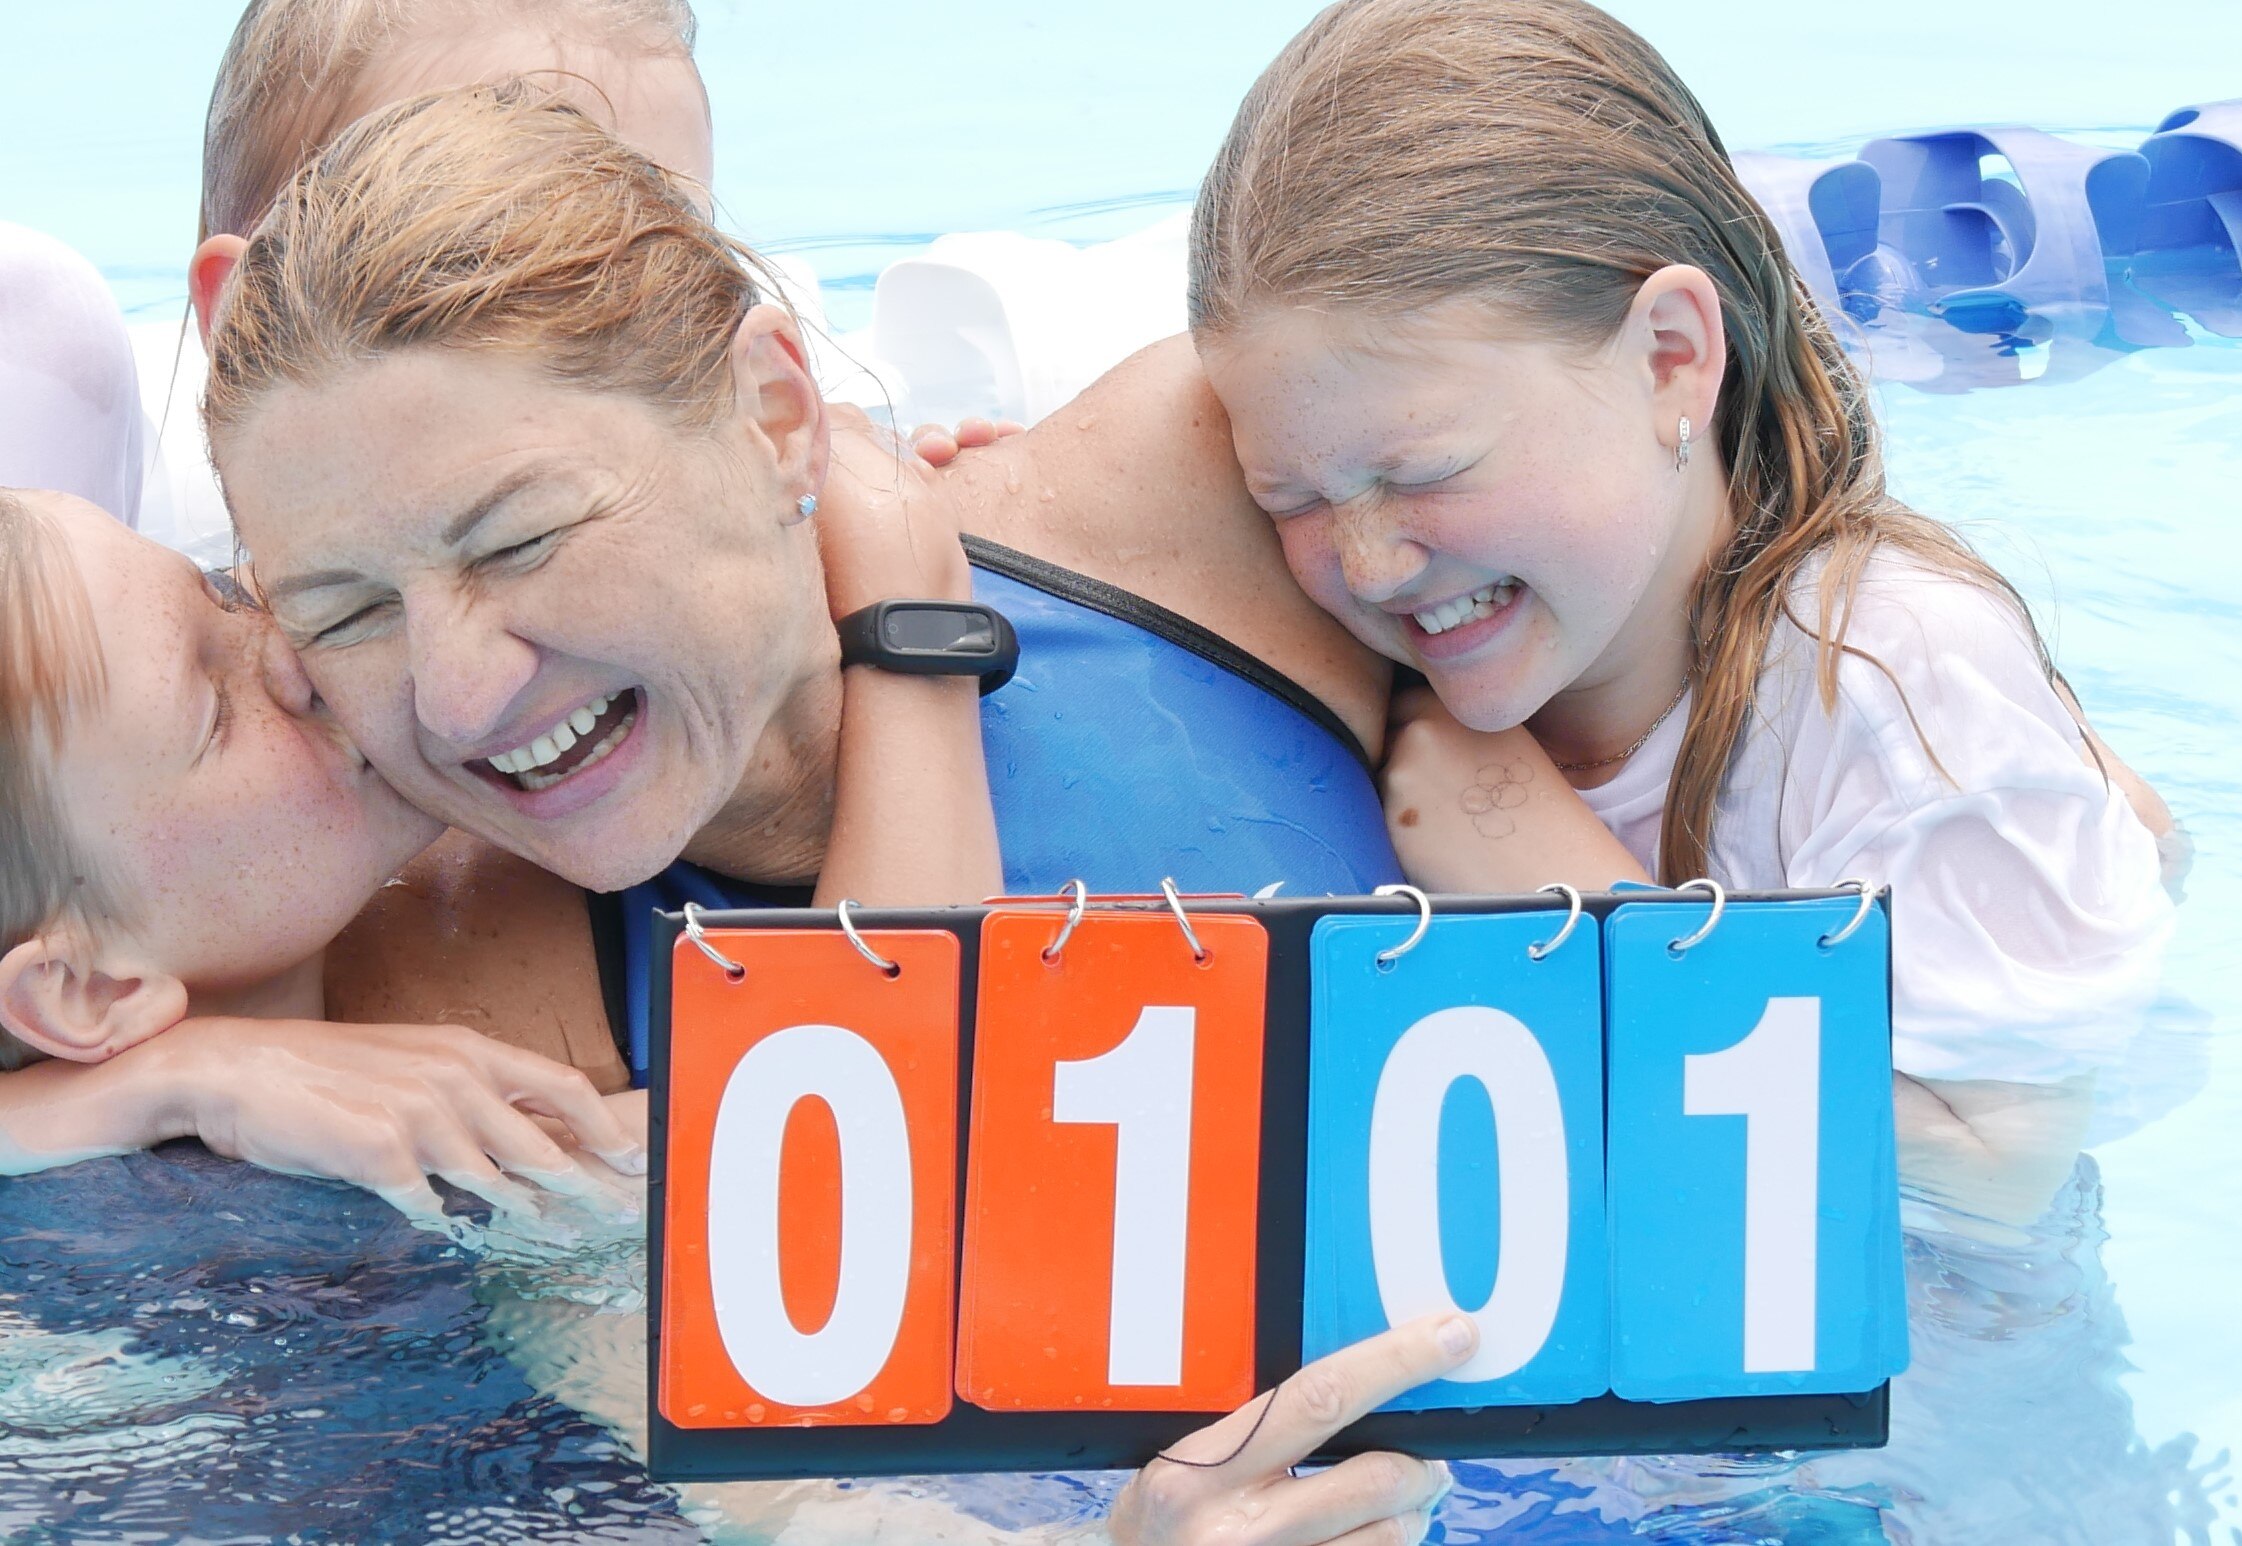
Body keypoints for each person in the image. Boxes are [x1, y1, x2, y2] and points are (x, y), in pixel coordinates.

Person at [1184, 0, 2174, 1233]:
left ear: (1667, 356)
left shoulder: (1886, 680)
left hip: (1919, 1415)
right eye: (1289, 494)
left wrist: (1581, 911)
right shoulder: (1385, 602)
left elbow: (1995, 1181)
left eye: (1424, 472)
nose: (1372, 560)